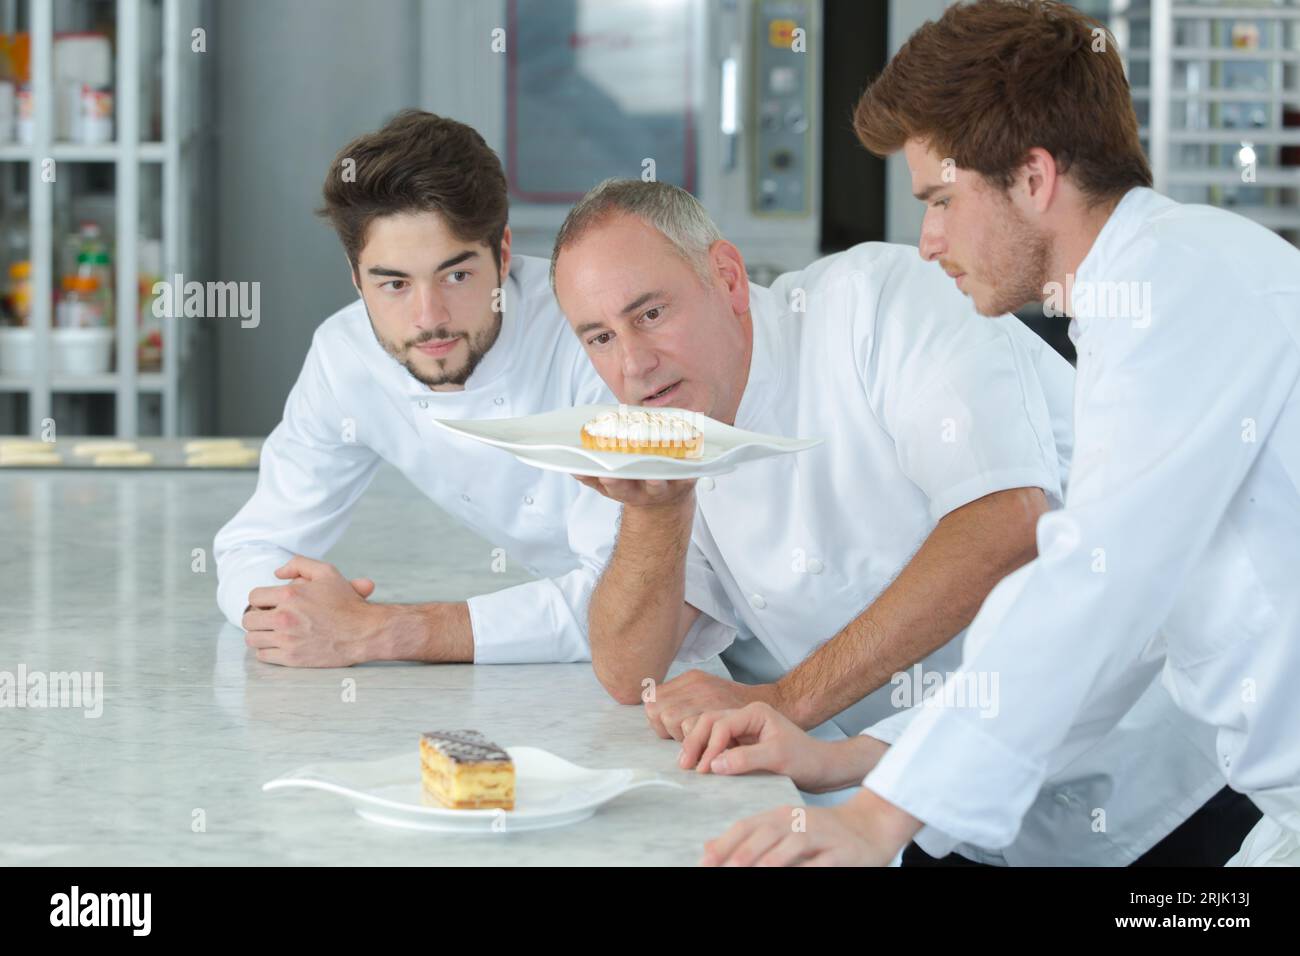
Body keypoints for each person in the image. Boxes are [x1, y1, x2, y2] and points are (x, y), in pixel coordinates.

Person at [695, 0, 1294, 867]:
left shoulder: (1175, 292)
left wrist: (874, 820)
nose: (928, 241)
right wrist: (860, 762)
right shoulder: (1145, 291)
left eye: (941, 200)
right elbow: (1131, 629)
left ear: (1034, 178)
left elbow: (1092, 593)